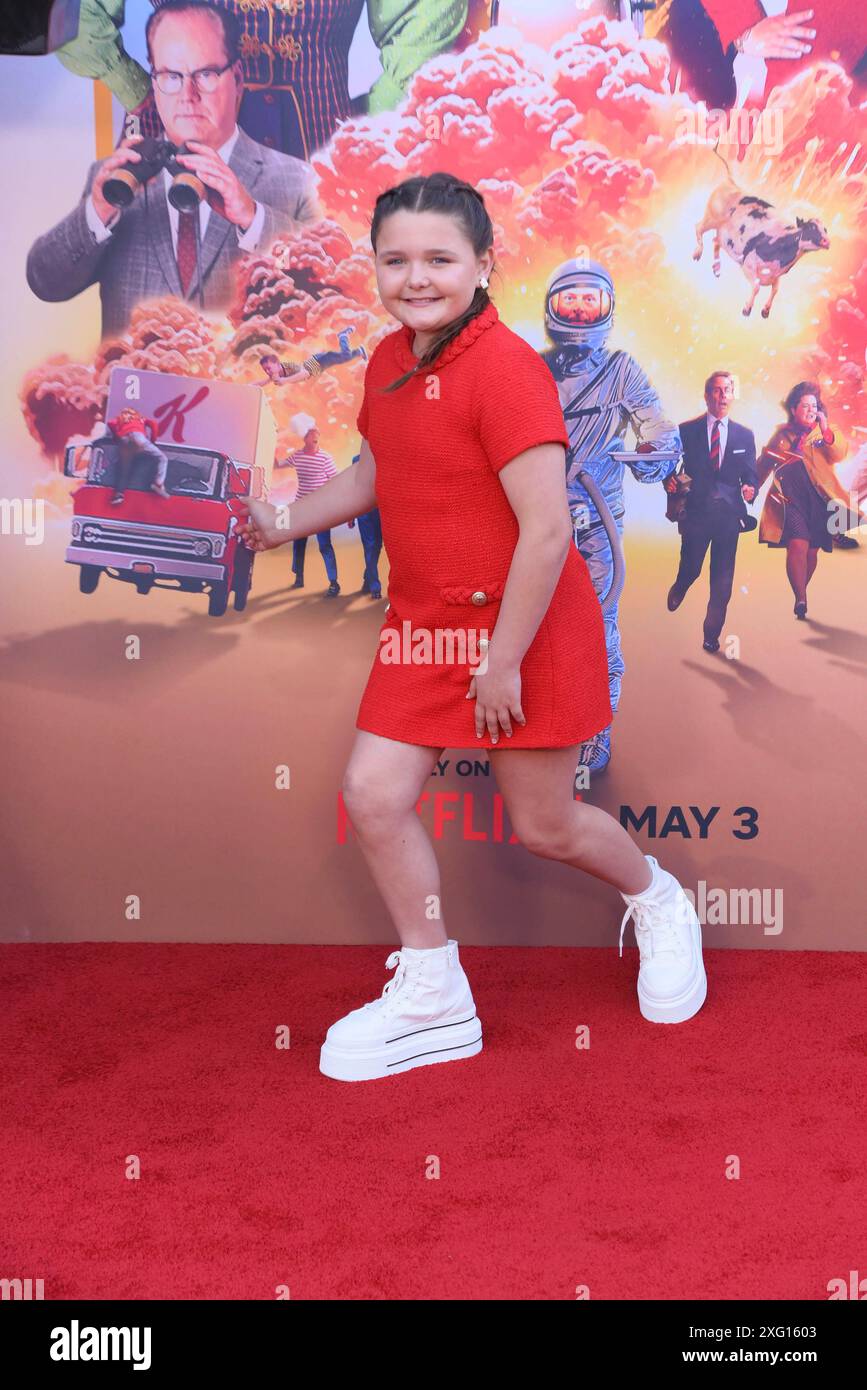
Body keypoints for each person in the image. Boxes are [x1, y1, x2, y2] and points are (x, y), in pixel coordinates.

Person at [236, 171, 708, 1084]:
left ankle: (658, 900)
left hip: (523, 630)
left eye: (439, 259)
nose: (416, 277)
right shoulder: (385, 360)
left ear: (483, 264)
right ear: (374, 265)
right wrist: (282, 522)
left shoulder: (506, 370)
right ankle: (434, 989)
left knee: (546, 826)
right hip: (424, 627)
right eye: (396, 259)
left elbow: (544, 531)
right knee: (373, 795)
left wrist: (501, 661)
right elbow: (373, 475)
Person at [27, 1, 322, 339]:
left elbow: (332, 297)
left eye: (206, 74)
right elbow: (45, 282)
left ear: (237, 78)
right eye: (170, 77)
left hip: (251, 383)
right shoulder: (115, 181)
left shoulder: (298, 180)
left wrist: (253, 219)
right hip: (135, 387)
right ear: (154, 80)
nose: (187, 95)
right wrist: (96, 214)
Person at [541, 258, 681, 775]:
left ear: (607, 308)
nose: (578, 311)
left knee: (597, 623)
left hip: (596, 523)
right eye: (569, 300)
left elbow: (656, 423)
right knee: (530, 622)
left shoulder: (622, 369)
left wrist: (658, 451)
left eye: (589, 301)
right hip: (533, 523)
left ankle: (596, 729)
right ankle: (541, 720)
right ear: (552, 308)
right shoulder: (532, 368)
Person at [55, 0, 472, 160]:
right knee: (174, 335)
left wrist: (381, 115)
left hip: (320, 164)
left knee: (323, 335)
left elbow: (425, 13)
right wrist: (135, 89)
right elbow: (68, 7)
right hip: (175, 164)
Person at [666, 372, 757, 651]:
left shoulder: (745, 435)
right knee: (692, 567)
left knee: (722, 580)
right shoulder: (686, 431)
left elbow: (751, 475)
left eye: (727, 390)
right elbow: (669, 465)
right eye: (716, 391)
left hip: (729, 517)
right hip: (696, 513)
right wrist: (667, 479)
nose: (722, 396)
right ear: (707, 396)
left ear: (732, 396)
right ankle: (681, 585)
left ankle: (711, 634)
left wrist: (750, 488)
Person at [756, 381, 860, 618]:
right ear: (794, 408)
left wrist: (825, 430)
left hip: (819, 500)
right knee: (797, 544)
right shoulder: (781, 434)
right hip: (790, 499)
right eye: (806, 405)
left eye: (814, 405)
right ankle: (800, 599)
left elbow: (839, 453)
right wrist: (750, 486)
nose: (811, 410)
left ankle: (801, 589)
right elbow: (764, 463)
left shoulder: (825, 432)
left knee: (812, 551)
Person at [283, 421, 342, 597]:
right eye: (312, 434)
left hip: (320, 510)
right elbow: (278, 465)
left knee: (325, 545)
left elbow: (336, 482)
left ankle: (333, 582)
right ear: (305, 438)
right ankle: (299, 576)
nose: (316, 437)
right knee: (299, 543)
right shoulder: (297, 456)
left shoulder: (325, 458)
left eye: (317, 434)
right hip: (301, 507)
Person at [101, 408, 170, 504]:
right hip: (138, 438)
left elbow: (110, 423)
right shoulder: (140, 418)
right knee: (162, 458)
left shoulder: (120, 419)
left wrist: (116, 435)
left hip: (124, 440)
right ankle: (158, 483)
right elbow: (154, 424)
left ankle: (119, 495)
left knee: (125, 470)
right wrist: (153, 440)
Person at [259, 326, 366, 387]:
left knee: (345, 356)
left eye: (268, 368)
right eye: (265, 370)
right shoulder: (275, 375)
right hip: (319, 366)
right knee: (342, 358)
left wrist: (285, 381)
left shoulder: (288, 367)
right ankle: (358, 351)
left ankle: (343, 336)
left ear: (277, 364)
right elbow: (261, 383)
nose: (268, 372)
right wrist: (245, 388)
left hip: (318, 362)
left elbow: (305, 373)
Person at [348, 450, 384, 600]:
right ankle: (375, 587)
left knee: (377, 546)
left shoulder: (384, 457)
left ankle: (367, 579)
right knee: (370, 546)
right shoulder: (356, 460)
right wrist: (352, 514)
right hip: (364, 511)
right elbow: (354, 489)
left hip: (380, 510)